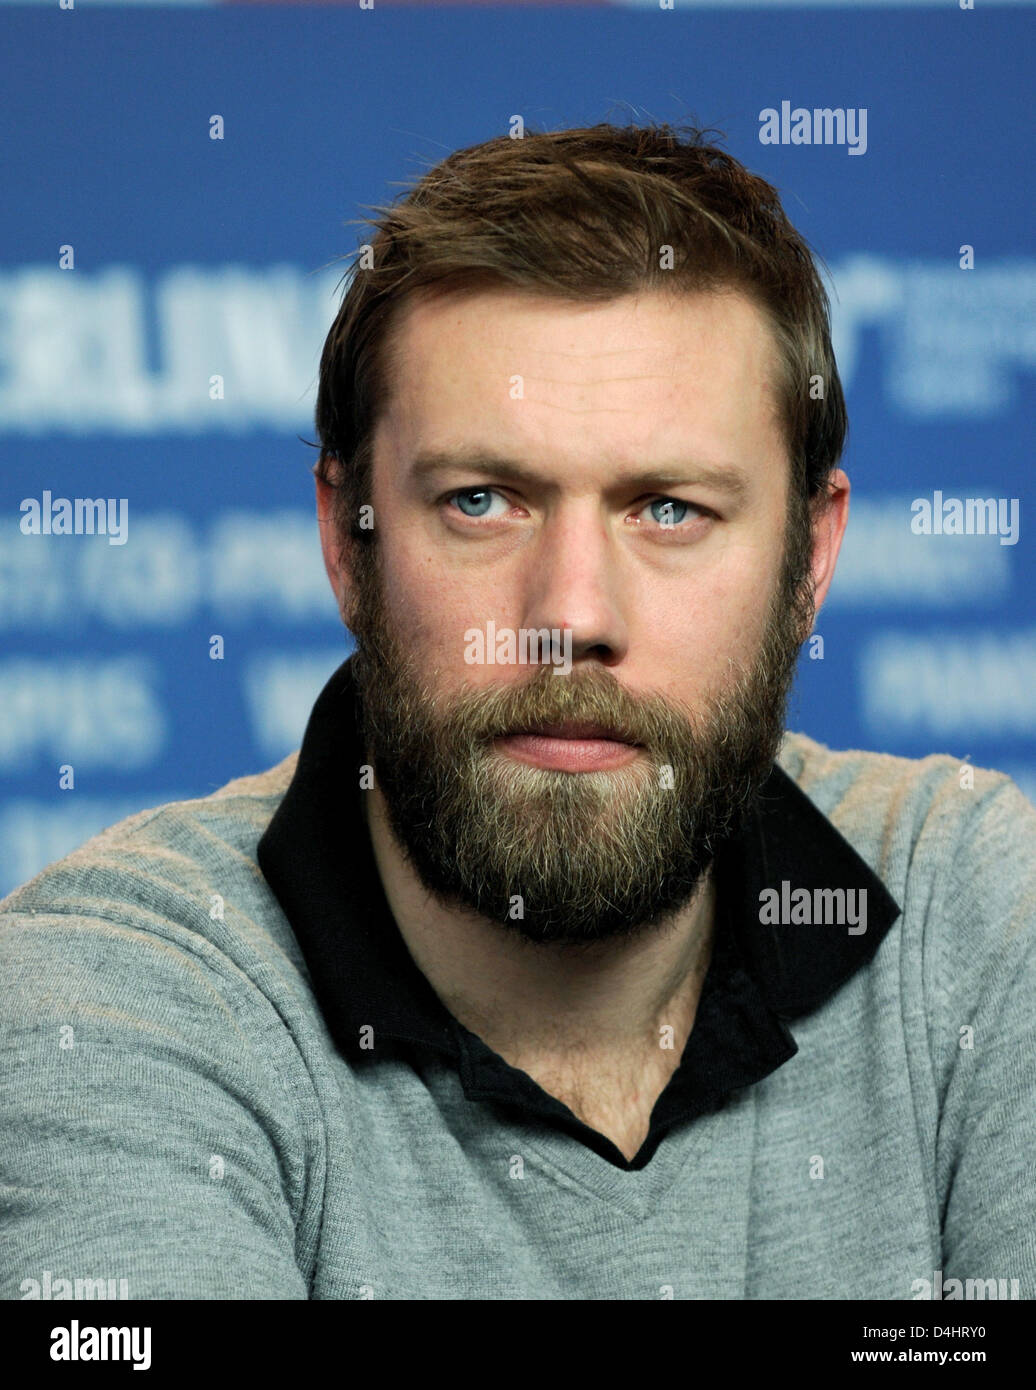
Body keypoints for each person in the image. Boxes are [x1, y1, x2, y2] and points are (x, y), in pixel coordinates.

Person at [2, 124, 1033, 1301]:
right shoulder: (112, 998)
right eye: (482, 501)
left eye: (670, 509)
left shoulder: (974, 917)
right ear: (348, 539)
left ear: (809, 560)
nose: (569, 616)